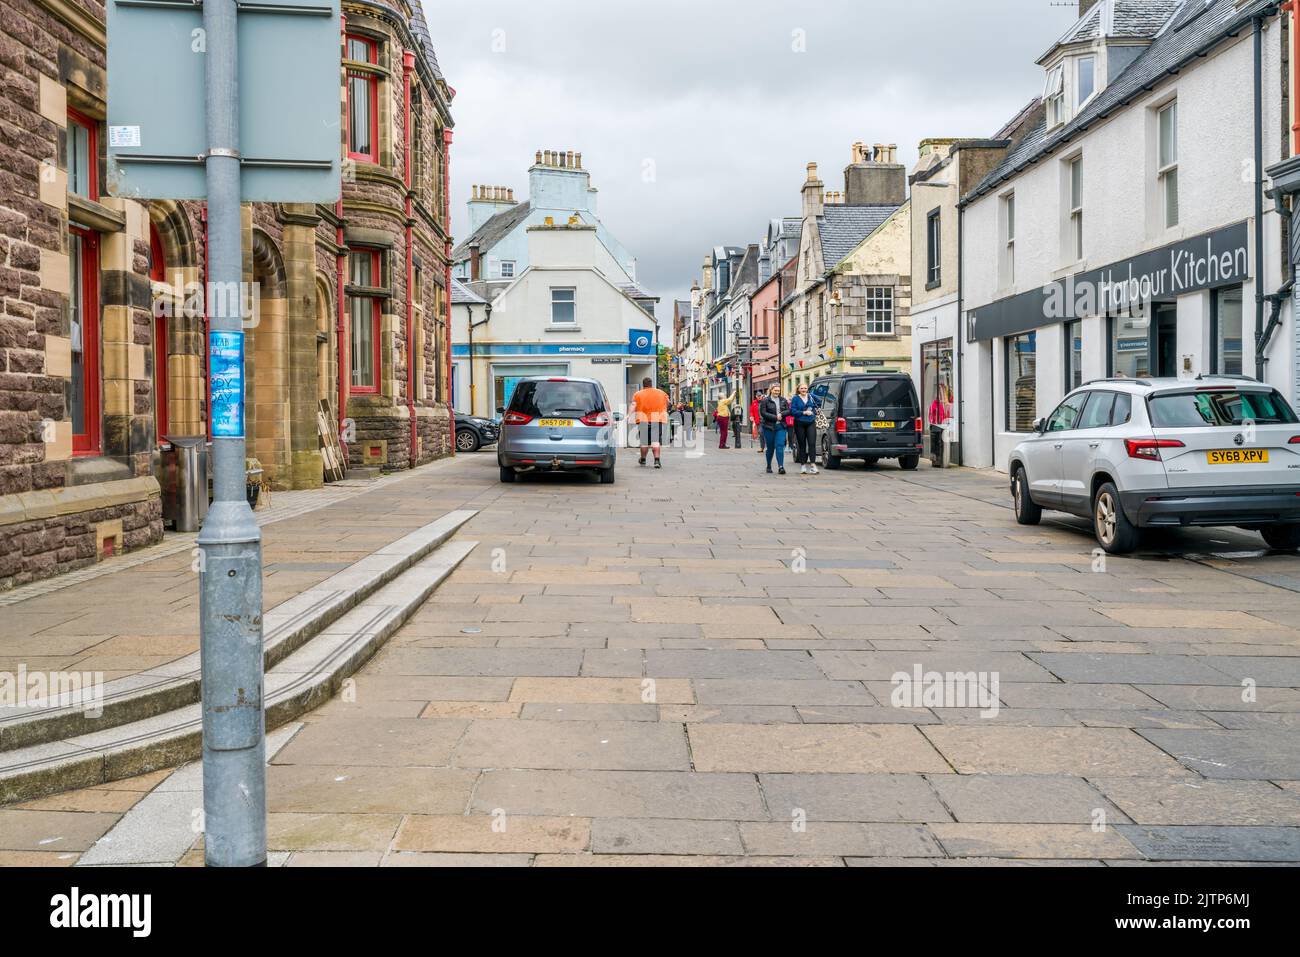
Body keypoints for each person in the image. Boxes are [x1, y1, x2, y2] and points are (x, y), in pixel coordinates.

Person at [631, 377, 669, 468]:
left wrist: (629, 415)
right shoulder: (661, 393)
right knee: (655, 441)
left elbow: (633, 406)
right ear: (651, 384)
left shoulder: (638, 394)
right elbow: (667, 402)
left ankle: (643, 459)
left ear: (643, 385)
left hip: (643, 420)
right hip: (656, 419)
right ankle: (657, 461)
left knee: (644, 442)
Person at [758, 384, 791, 475]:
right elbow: (763, 413)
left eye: (778, 390)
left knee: (780, 445)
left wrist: (782, 414)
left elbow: (789, 411)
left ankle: (781, 466)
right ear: (771, 390)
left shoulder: (783, 400)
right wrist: (775, 417)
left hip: (781, 426)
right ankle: (768, 465)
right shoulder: (765, 400)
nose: (777, 392)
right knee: (770, 448)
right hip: (769, 427)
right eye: (775, 390)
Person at [790, 382, 820, 475]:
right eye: (802, 388)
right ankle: (803, 465)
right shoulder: (795, 398)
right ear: (798, 389)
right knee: (802, 444)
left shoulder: (811, 396)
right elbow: (793, 411)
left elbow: (818, 403)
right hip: (799, 423)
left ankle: (812, 465)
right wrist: (803, 412)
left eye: (805, 388)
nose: (804, 390)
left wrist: (814, 411)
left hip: (811, 422)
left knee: (812, 443)